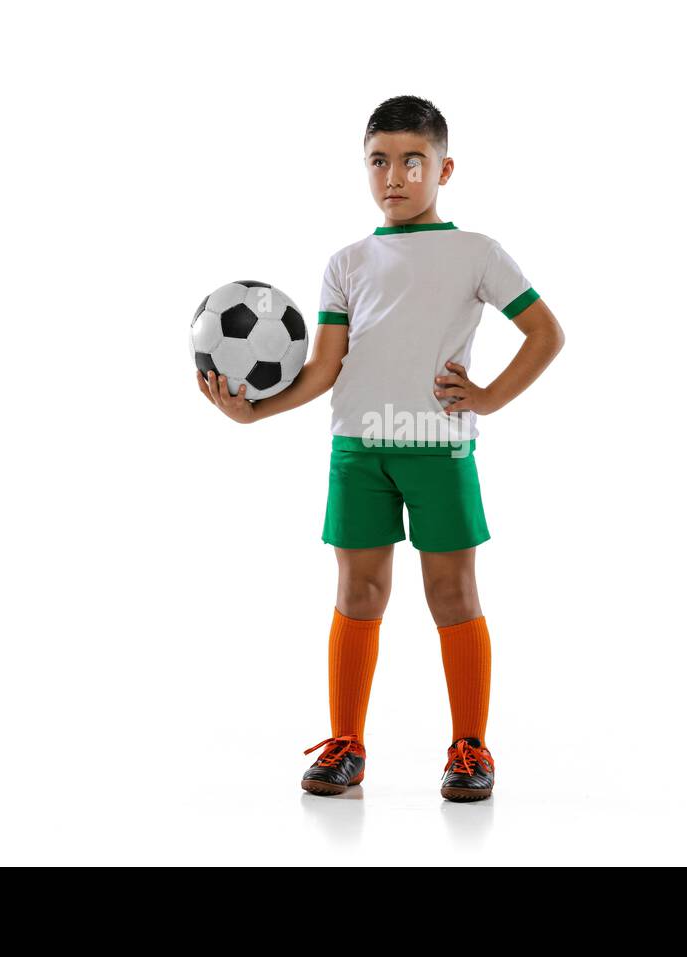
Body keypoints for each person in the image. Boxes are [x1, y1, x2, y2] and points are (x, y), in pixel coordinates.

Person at [197, 95, 564, 801]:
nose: (394, 175)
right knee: (357, 591)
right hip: (358, 451)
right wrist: (256, 412)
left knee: (452, 591)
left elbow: (546, 333)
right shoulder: (347, 262)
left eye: (411, 161)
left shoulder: (475, 252)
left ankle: (470, 747)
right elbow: (327, 366)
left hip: (438, 446)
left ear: (443, 168)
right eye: (379, 161)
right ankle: (346, 743)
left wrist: (487, 397)